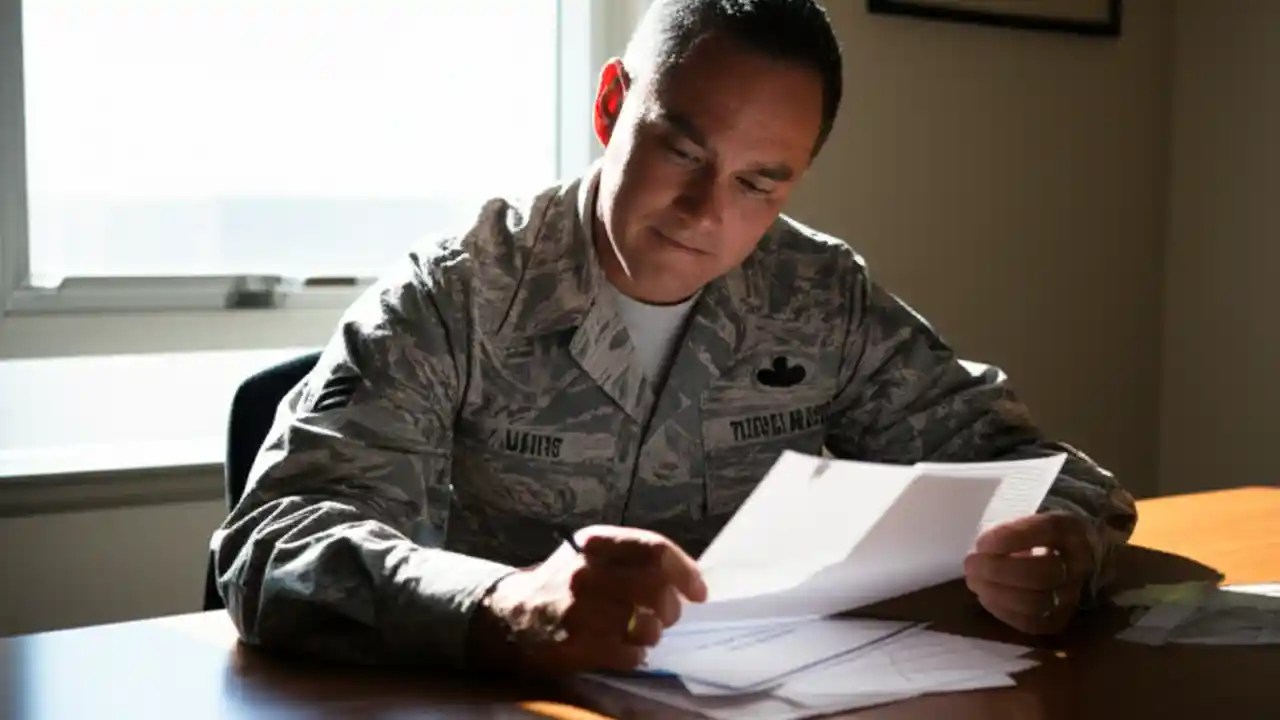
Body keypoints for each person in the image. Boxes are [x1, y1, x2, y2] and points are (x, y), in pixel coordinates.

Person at [212, 0, 1136, 676]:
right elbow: (271, 545)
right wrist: (501, 604)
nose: (706, 213)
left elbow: (1046, 474)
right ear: (613, 107)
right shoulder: (457, 296)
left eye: (759, 185)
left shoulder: (819, 299)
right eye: (684, 152)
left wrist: (1059, 553)